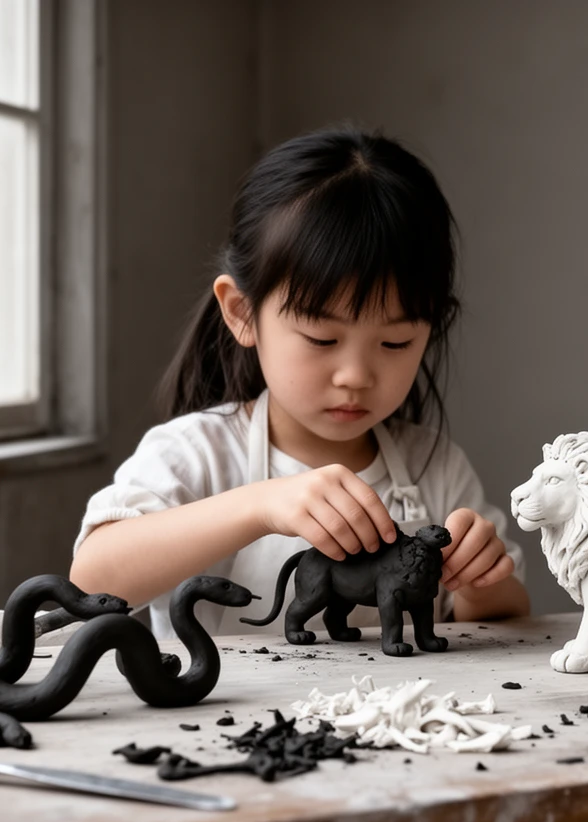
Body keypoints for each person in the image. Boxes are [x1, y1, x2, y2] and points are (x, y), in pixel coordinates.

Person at [70, 126, 529, 640]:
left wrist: (479, 578)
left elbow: (509, 622)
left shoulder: (436, 468)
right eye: (321, 339)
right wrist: (259, 505)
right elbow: (91, 583)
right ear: (242, 313)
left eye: (395, 343)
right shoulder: (196, 454)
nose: (355, 375)